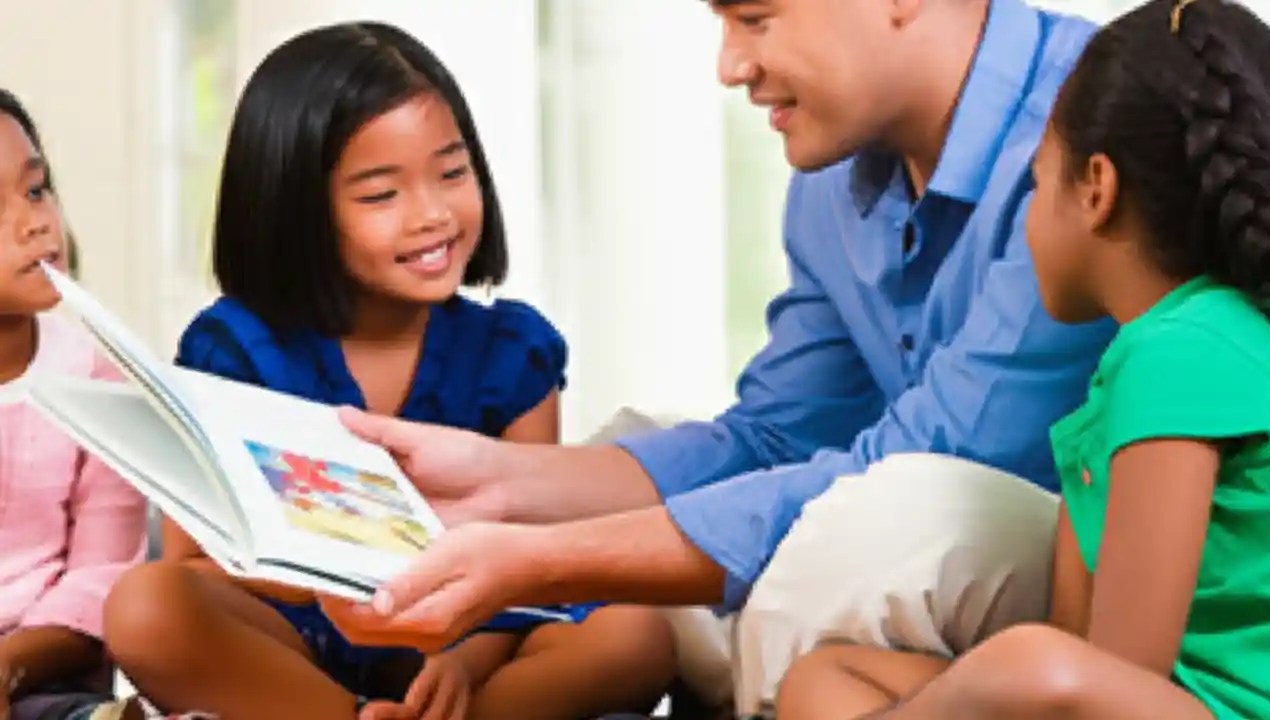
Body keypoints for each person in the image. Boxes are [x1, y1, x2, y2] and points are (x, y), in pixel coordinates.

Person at [323, 0, 1119, 712]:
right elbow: (776, 436)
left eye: (754, 19)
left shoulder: (1092, 126)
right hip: (906, 570)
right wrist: (497, 482)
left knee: (893, 514)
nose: (731, 66)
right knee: (626, 456)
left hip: (1081, 572)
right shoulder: (834, 179)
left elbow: (929, 463)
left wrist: (538, 561)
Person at [101, 23, 675, 720]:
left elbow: (529, 565)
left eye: (452, 173)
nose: (433, 215)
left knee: (636, 634)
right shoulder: (233, 350)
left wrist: (462, 662)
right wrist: (303, 579)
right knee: (145, 606)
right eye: (381, 195)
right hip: (301, 638)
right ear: (296, 215)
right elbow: (192, 564)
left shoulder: (514, 349)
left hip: (473, 635)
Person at [772, 1, 1270, 718]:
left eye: (1039, 183)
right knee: (827, 676)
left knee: (1025, 660)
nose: (1029, 220)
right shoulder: (1127, 375)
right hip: (1144, 697)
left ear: (1095, 190)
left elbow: (1114, 677)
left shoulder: (1185, 352)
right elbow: (1083, 653)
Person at [0, 89, 148, 720]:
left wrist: (6, 667)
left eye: (36, 190)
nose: (35, 222)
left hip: (44, 675)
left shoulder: (97, 380)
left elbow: (102, 577)